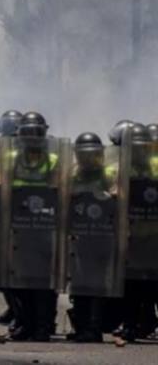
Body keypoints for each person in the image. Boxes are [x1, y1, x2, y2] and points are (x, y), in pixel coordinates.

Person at [7, 112, 60, 342]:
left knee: (43, 281)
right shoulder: (9, 158)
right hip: (18, 228)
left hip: (44, 227)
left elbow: (60, 190)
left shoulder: (55, 160)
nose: (31, 139)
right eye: (27, 134)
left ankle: (44, 326)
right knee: (19, 280)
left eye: (35, 134)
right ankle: (25, 322)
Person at [66, 132, 117, 343]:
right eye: (84, 155)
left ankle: (94, 328)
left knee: (96, 283)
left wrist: (106, 195)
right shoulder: (72, 175)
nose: (88, 159)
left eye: (93, 155)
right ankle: (82, 326)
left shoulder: (108, 174)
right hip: (80, 237)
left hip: (102, 236)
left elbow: (118, 194)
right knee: (79, 283)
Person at [119, 123, 158, 342]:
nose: (139, 151)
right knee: (131, 285)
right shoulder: (119, 166)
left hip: (154, 235)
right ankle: (131, 326)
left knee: (152, 284)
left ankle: (146, 323)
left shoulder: (155, 165)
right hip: (130, 235)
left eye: (143, 147)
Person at [0, 109, 22, 326]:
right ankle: (15, 310)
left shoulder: (25, 155)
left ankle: (20, 312)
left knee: (10, 270)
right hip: (9, 217)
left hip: (19, 218)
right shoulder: (0, 154)